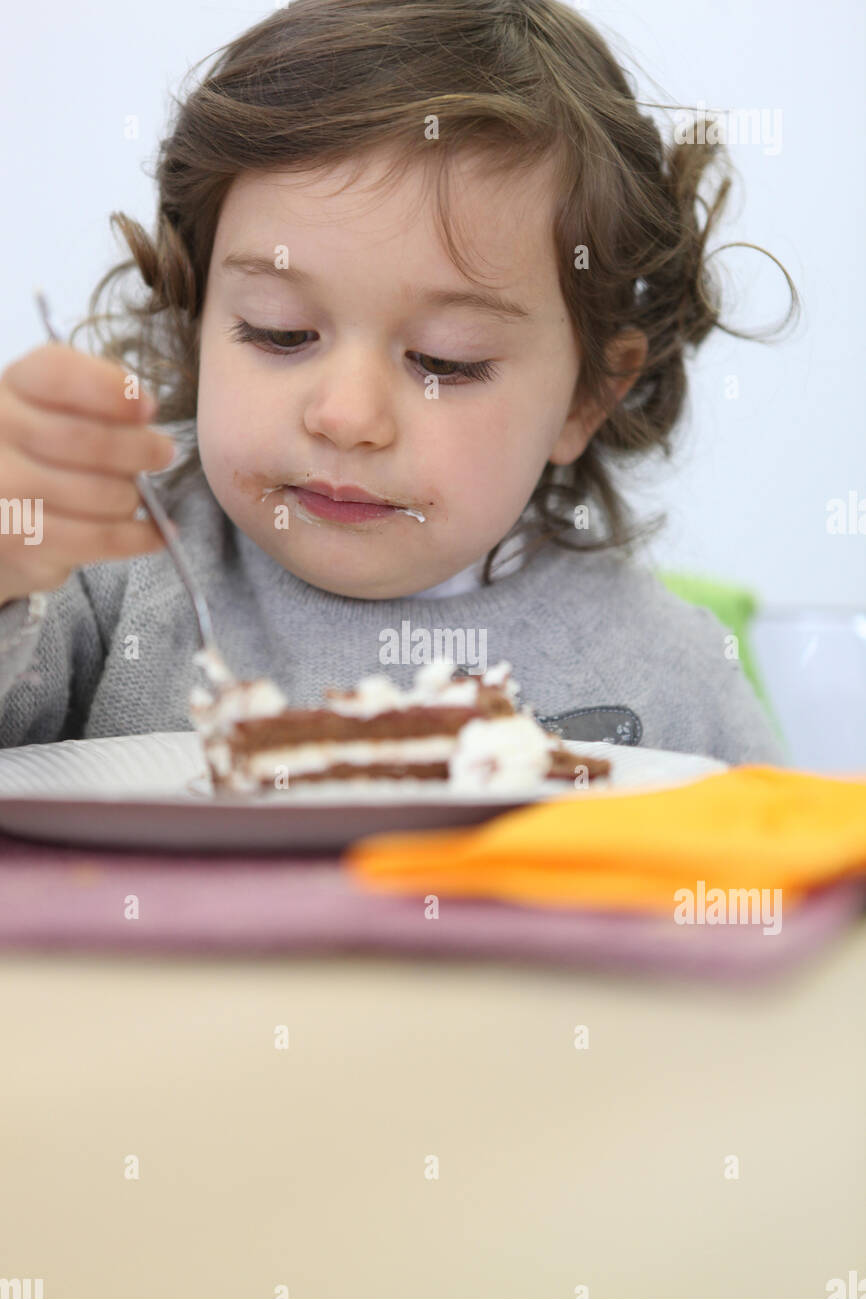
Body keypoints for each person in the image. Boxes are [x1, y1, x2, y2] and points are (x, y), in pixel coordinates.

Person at [0, 0, 796, 761]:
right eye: (280, 332)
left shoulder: (671, 678)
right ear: (198, 317)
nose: (346, 417)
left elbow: (787, 877)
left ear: (588, 397)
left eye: (445, 360)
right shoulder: (99, 576)